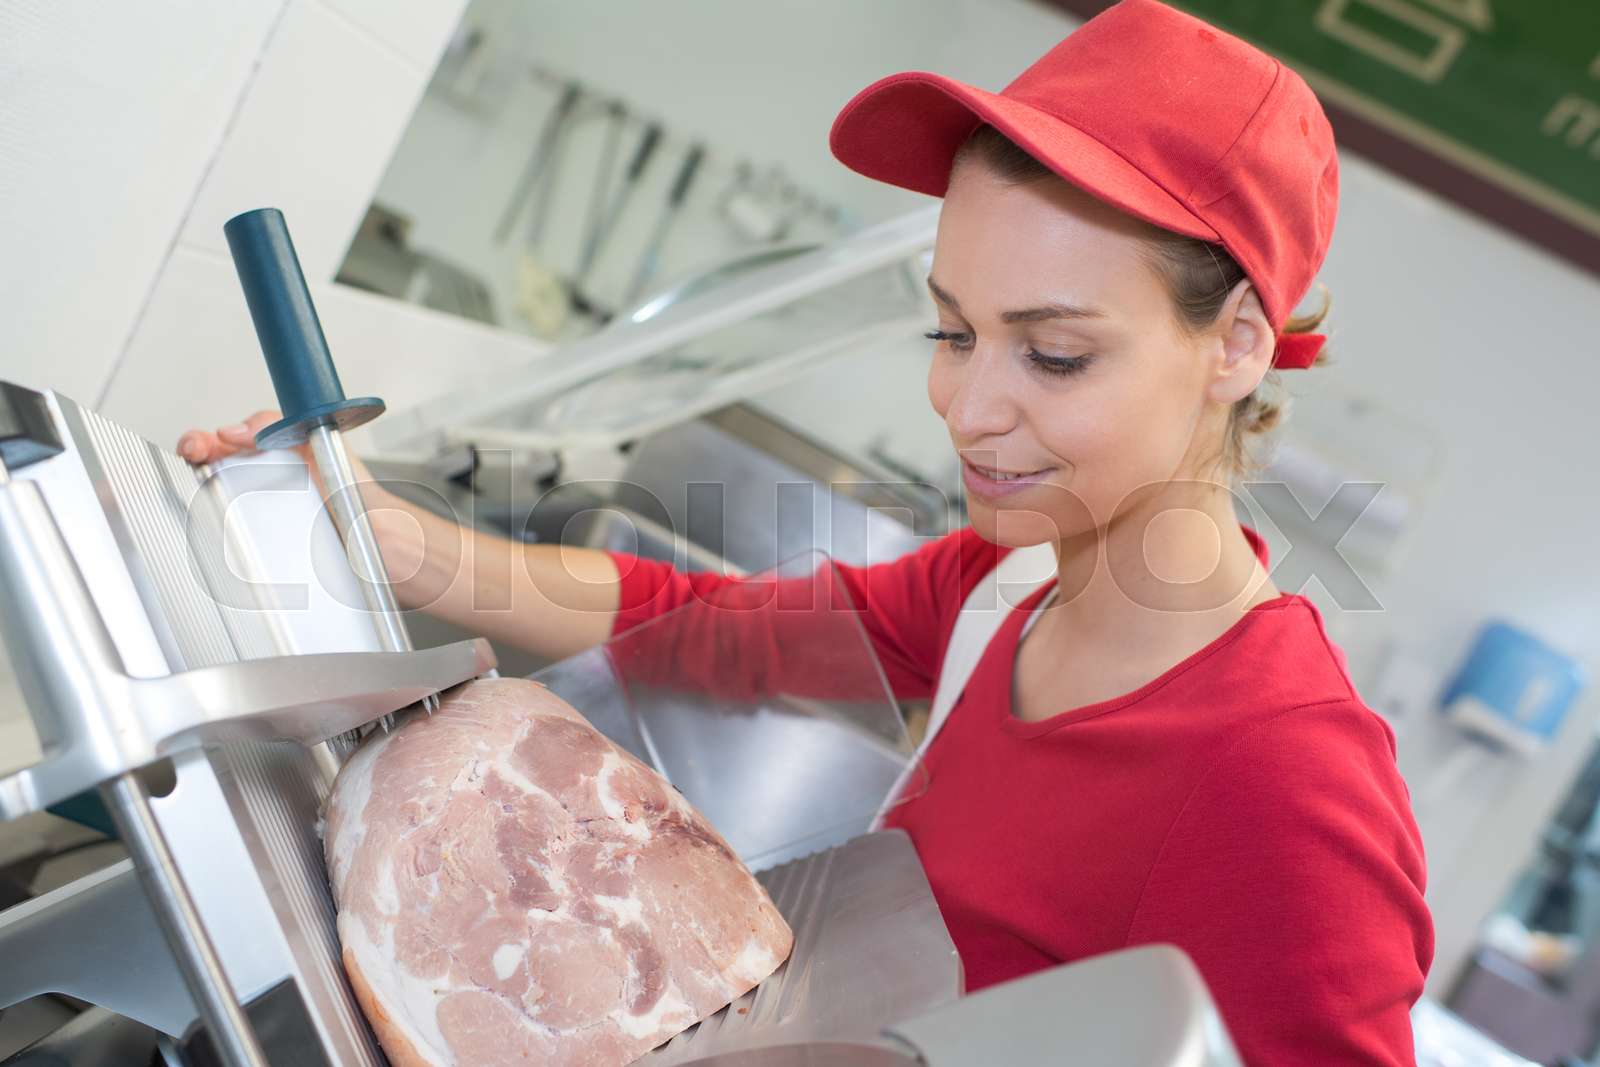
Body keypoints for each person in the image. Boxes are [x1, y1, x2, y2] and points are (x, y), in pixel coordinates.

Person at [180, 1, 1432, 1060]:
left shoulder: (1284, 783)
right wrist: (400, 544)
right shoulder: (1014, 581)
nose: (966, 404)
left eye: (1053, 354)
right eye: (952, 329)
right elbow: (709, 631)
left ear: (1236, 345)